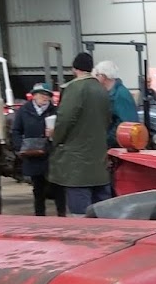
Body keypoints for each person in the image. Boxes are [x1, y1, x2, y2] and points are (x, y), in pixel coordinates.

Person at [48, 52, 113, 217]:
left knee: (80, 215)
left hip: (77, 165)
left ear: (74, 69)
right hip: (99, 162)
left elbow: (65, 119)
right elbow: (107, 120)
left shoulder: (74, 88)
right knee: (103, 212)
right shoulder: (101, 89)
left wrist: (55, 137)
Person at [11, 83, 65, 217]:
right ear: (34, 95)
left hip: (52, 155)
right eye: (41, 94)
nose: (44, 97)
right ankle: (40, 216)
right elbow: (16, 131)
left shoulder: (56, 111)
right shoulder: (24, 111)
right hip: (33, 155)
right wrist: (20, 147)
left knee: (58, 187)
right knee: (38, 188)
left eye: (47, 95)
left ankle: (62, 214)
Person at [93, 60, 141, 148]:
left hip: (118, 147)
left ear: (103, 76)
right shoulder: (112, 93)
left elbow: (127, 125)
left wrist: (105, 140)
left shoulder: (121, 95)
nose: (95, 78)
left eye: (97, 75)